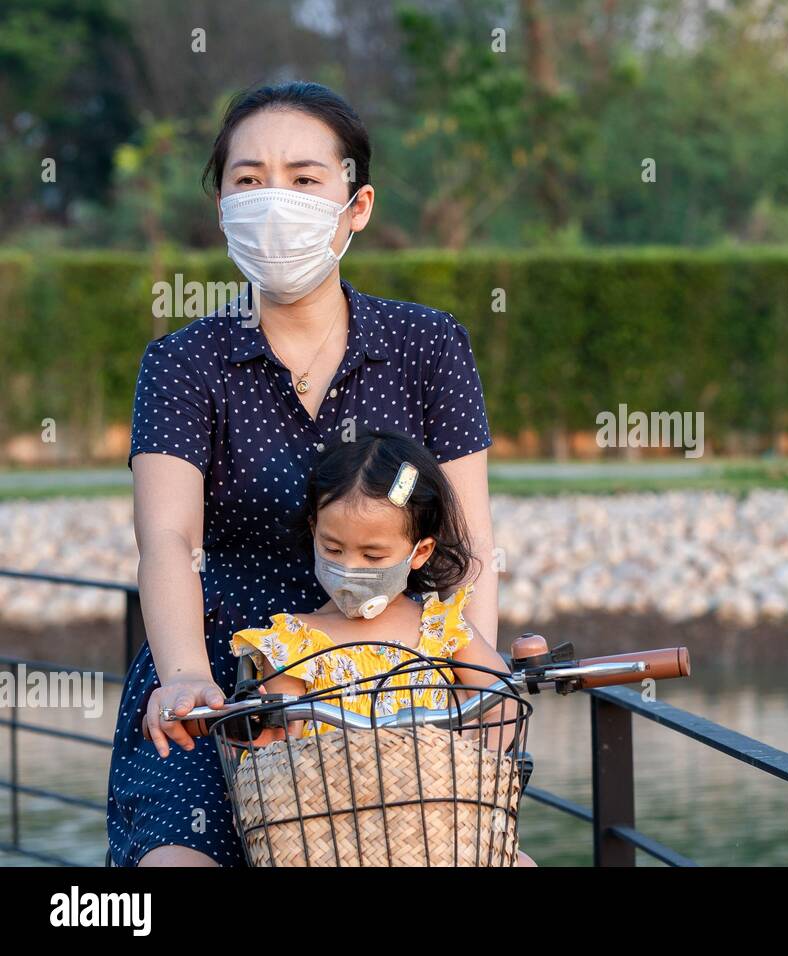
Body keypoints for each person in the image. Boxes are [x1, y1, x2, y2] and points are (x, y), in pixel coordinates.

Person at [107, 80, 499, 867]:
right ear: (221, 206)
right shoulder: (184, 362)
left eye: (304, 177)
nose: (273, 198)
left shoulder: (429, 346)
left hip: (387, 684)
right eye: (248, 180)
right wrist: (184, 672)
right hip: (225, 684)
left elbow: (469, 538)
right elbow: (169, 535)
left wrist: (473, 664)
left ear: (356, 206)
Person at [226, 429, 536, 866]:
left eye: (373, 557)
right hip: (328, 834)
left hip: (440, 826)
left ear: (420, 552)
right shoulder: (294, 640)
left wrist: (467, 769)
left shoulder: (440, 626)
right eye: (333, 548)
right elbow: (278, 748)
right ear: (314, 529)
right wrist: (261, 723)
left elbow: (500, 701)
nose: (349, 568)